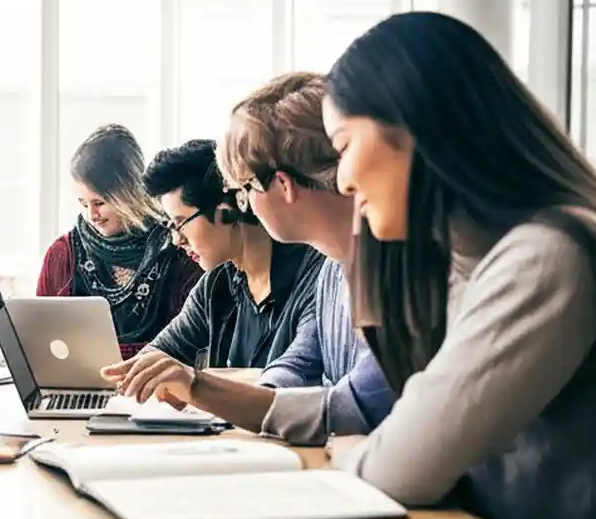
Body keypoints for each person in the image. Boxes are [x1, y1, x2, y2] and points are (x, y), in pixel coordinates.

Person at [317, 12, 596, 519]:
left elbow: (402, 466)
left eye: (343, 146)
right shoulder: (471, 259)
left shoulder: (548, 254)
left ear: (410, 125)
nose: (341, 181)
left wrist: (354, 452)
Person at [103, 73, 394, 443]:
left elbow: (356, 408)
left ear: (284, 185)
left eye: (246, 189)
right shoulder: (332, 272)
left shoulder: (382, 270)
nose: (246, 206)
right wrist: (227, 401)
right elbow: (299, 366)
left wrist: (205, 391)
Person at [141, 139, 323, 369]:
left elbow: (293, 376)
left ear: (226, 211)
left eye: (180, 223)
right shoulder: (216, 286)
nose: (177, 239)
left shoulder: (312, 278)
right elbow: (157, 354)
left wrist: (198, 386)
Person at [37, 124, 201, 359]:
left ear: (129, 193)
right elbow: (42, 343)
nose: (91, 215)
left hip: (159, 389)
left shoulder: (178, 249)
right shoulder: (63, 253)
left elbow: (192, 343)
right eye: (83, 204)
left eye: (100, 203)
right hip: (81, 388)